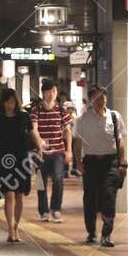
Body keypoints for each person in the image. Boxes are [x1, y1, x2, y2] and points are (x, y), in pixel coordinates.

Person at [0, 88, 44, 243]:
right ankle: (9, 229)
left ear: (16, 102)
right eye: (7, 102)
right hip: (5, 159)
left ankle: (16, 227)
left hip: (22, 159)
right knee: (9, 194)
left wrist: (39, 147)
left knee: (20, 194)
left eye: (12, 102)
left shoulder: (23, 116)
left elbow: (33, 133)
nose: (10, 105)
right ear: (3, 102)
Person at [77, 85, 127, 247]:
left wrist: (122, 162)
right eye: (97, 98)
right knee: (90, 198)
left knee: (109, 197)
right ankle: (91, 231)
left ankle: (106, 234)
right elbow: (77, 142)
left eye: (103, 97)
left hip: (110, 162)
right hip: (91, 163)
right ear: (91, 99)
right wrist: (78, 162)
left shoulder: (114, 117)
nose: (101, 101)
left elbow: (120, 141)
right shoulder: (84, 119)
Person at [31, 78, 73, 224]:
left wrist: (69, 150)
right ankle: (43, 211)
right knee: (40, 183)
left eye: (54, 91)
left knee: (58, 180)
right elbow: (34, 130)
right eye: (49, 91)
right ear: (43, 93)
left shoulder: (62, 111)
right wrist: (39, 143)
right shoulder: (36, 110)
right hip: (41, 153)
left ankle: (55, 209)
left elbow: (68, 131)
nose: (52, 94)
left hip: (58, 152)